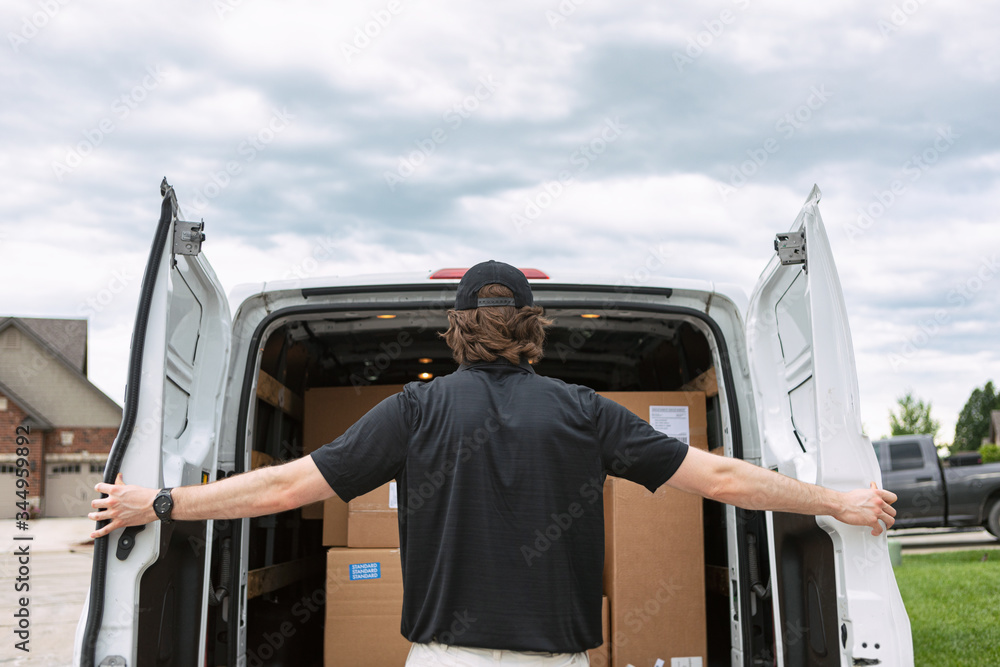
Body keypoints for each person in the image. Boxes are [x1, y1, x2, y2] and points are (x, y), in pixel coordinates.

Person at [90, 259, 898, 666]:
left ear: (458, 329)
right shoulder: (582, 409)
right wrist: (838, 501)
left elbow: (284, 484)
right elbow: (721, 478)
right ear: (533, 328)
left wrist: (158, 503)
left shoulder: (416, 410)